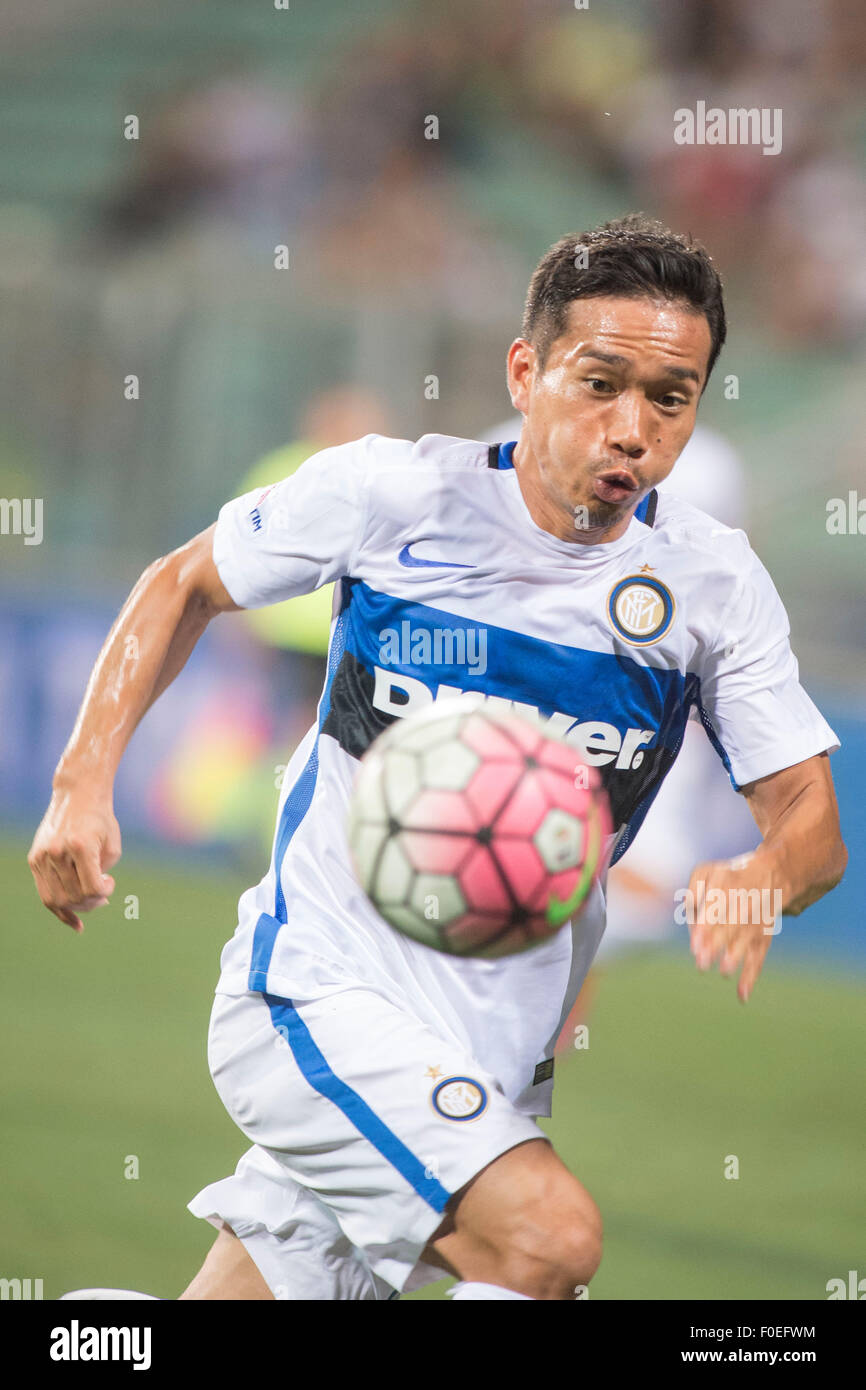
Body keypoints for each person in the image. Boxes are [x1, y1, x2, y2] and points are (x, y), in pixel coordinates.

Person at [29, 215, 846, 1302]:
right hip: (311, 999)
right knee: (545, 1244)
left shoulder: (710, 585)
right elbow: (185, 581)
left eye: (669, 396)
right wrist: (80, 781)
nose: (631, 429)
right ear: (525, 369)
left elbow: (811, 820)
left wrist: (765, 875)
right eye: (598, 382)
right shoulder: (388, 495)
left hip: (485, 1053)